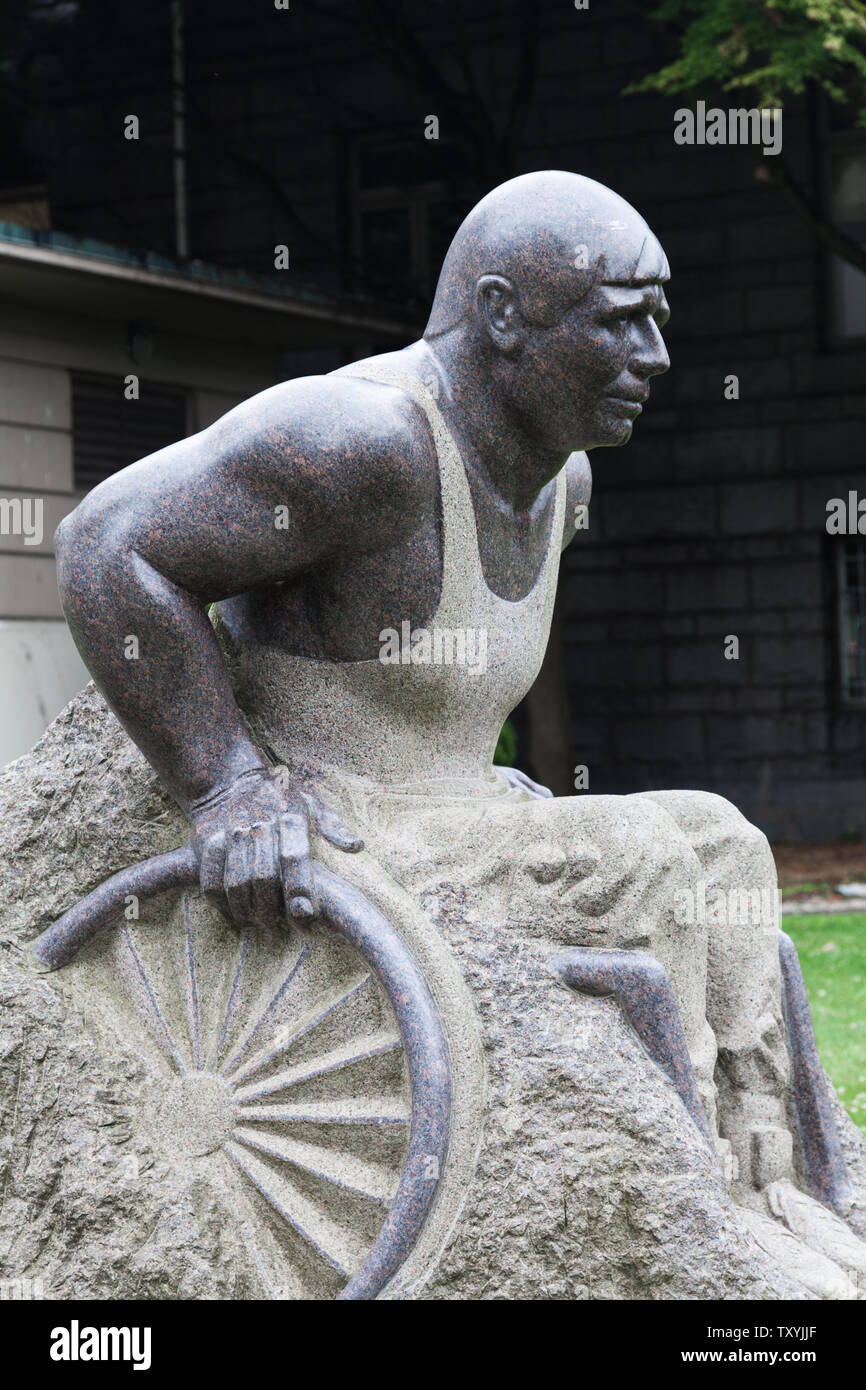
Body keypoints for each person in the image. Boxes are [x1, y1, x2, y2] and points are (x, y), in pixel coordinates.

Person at [55, 170, 866, 1296]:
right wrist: (226, 785)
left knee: (719, 836)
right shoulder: (360, 439)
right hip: (341, 819)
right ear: (498, 315)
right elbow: (105, 545)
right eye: (621, 320)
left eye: (659, 321)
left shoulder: (562, 477)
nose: (658, 357)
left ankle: (763, 1172)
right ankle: (691, 1212)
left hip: (454, 814)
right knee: (651, 859)